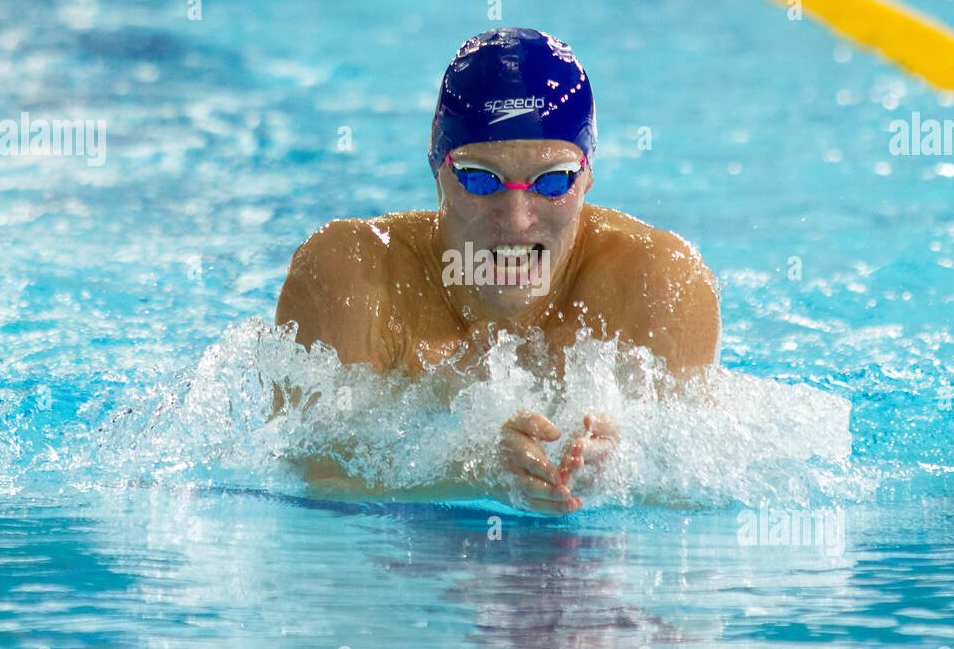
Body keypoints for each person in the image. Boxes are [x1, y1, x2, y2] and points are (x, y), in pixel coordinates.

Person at [275, 27, 721, 514]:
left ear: (589, 173)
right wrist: (471, 470)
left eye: (552, 181)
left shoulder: (658, 284)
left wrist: (633, 467)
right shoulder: (355, 275)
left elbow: (703, 485)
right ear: (436, 168)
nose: (515, 218)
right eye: (480, 178)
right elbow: (312, 476)